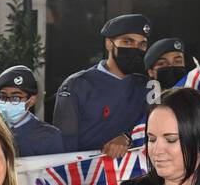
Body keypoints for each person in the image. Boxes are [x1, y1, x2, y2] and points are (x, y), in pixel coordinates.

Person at [52, 14, 151, 155]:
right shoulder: (77, 85)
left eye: (142, 44)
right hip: (88, 173)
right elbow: (64, 145)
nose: (135, 49)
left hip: (133, 173)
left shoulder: (147, 86)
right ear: (109, 44)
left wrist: (127, 137)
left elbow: (154, 127)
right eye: (127, 42)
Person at [0, 65, 63, 157]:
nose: (7, 102)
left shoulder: (49, 136)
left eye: (15, 98)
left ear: (31, 100)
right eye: (3, 97)